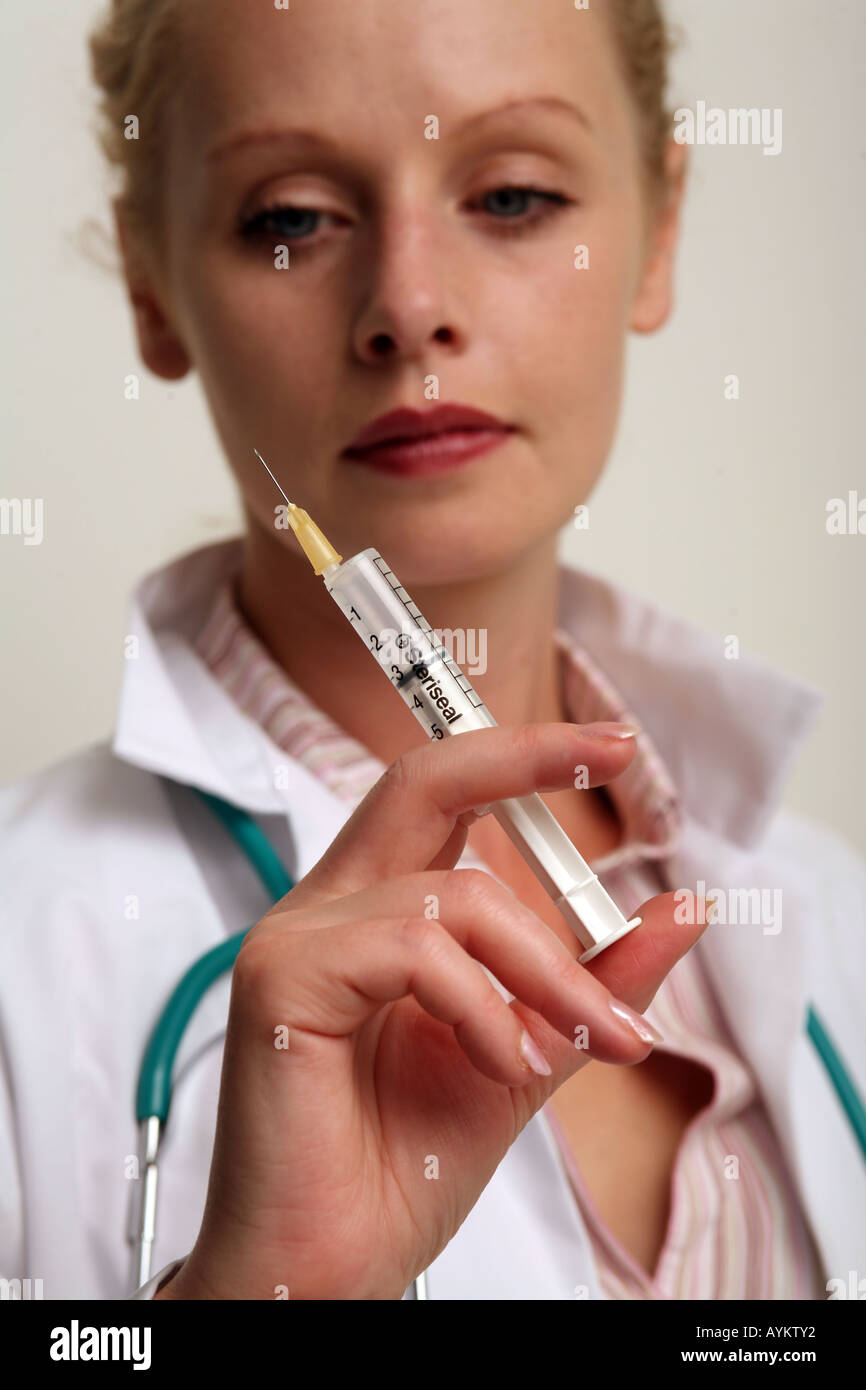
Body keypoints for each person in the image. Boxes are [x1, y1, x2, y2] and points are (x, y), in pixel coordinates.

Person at [1, 0, 863, 1302]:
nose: (408, 306)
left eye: (511, 194)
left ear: (656, 229)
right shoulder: (29, 945)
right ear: (149, 283)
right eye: (290, 217)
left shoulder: (822, 904)